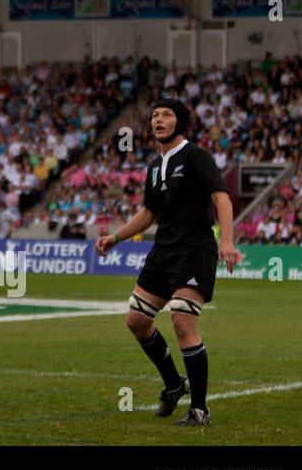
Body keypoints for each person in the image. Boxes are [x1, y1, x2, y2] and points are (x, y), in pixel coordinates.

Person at [96, 97, 238, 427]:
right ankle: (174, 384)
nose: (158, 120)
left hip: (194, 250)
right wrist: (115, 237)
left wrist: (227, 240)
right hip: (163, 251)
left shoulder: (196, 156)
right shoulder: (154, 165)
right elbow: (149, 212)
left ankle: (200, 410)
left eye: (166, 115)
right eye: (155, 115)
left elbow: (222, 197)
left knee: (183, 323)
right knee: (136, 321)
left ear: (180, 122)